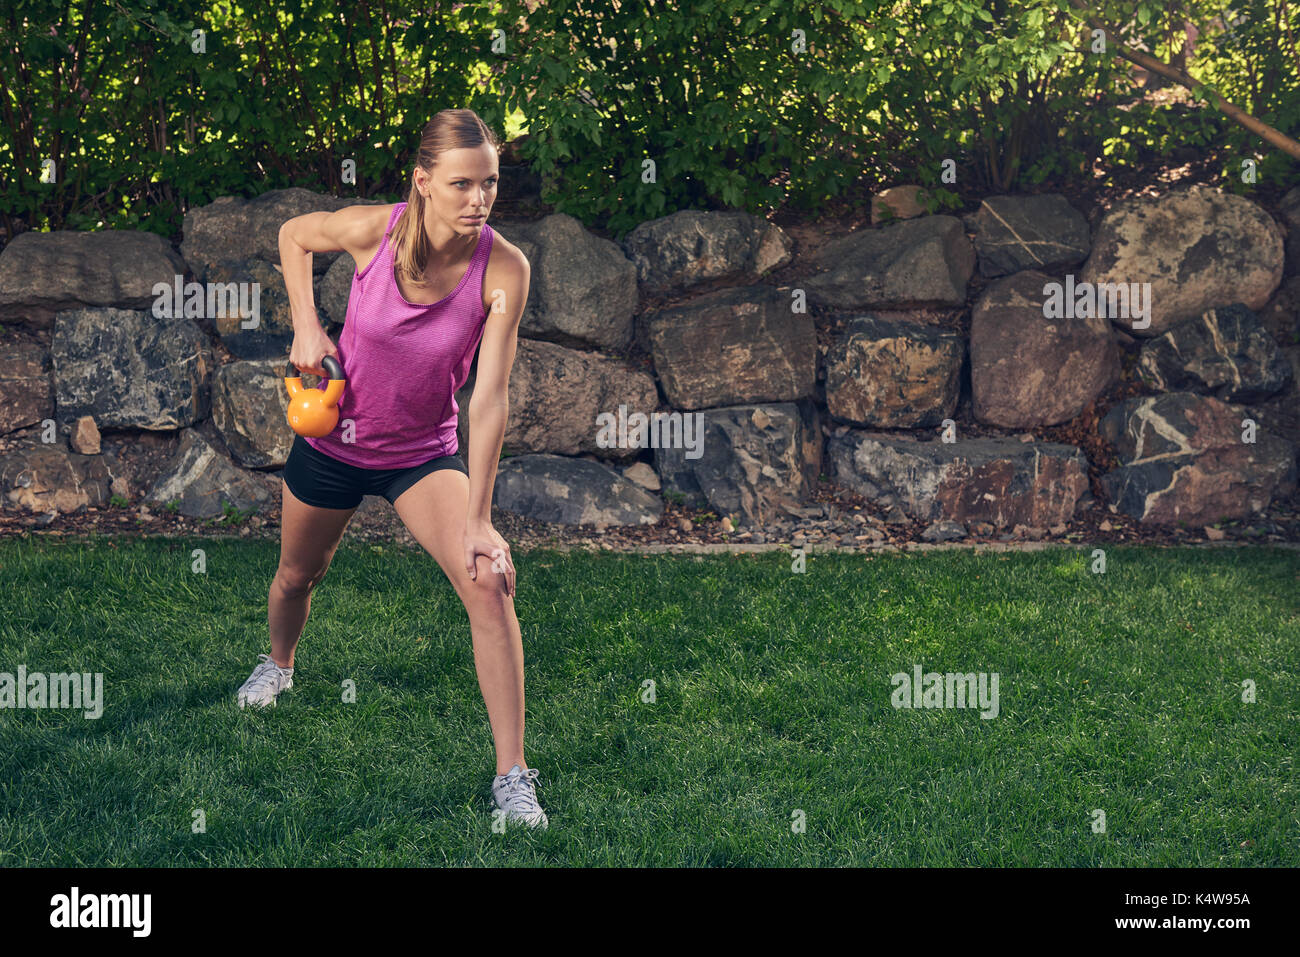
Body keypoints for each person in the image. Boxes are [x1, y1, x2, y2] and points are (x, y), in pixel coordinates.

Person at [236, 109, 547, 828]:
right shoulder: (376, 230)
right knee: (296, 576)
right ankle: (279, 663)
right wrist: (308, 323)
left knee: (489, 582)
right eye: (462, 184)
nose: (479, 200)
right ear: (424, 182)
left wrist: (478, 521)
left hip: (421, 454)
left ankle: (513, 775)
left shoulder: (504, 267)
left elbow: (490, 399)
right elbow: (293, 236)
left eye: (490, 184)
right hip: (335, 440)